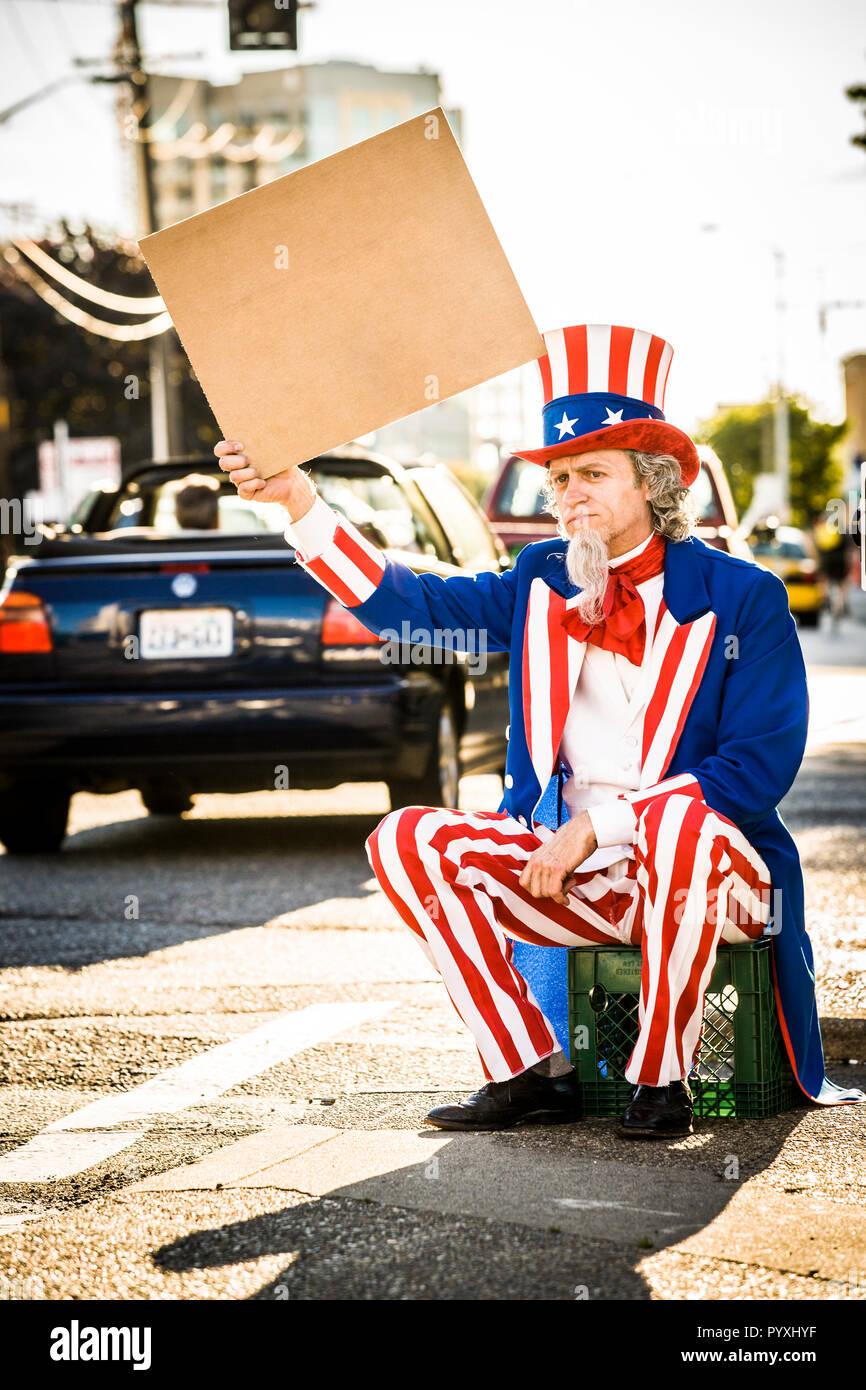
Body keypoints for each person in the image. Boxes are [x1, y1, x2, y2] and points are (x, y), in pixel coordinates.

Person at [214, 322, 864, 1138]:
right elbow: (411, 606)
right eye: (559, 478)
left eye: (592, 472)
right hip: (583, 885)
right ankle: (528, 1068)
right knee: (407, 839)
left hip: (715, 884)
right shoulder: (539, 581)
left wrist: (600, 826)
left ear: (656, 483)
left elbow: (756, 769)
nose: (569, 494)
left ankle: (661, 1083)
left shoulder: (746, 596)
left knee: (684, 827)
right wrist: (301, 505)